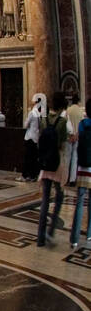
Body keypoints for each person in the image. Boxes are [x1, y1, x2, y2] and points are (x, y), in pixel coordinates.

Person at [35, 93, 68, 247]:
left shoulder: (43, 120)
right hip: (56, 162)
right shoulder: (62, 122)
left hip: (45, 163)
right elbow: (61, 144)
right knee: (60, 196)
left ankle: (40, 238)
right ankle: (50, 231)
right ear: (62, 107)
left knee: (45, 200)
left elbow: (40, 139)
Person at [69, 105, 91, 251]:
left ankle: (74, 238)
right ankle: (89, 233)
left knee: (79, 202)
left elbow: (75, 140)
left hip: (82, 167)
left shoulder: (82, 124)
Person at [21, 94, 44, 181]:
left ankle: (25, 175)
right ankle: (33, 175)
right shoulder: (40, 113)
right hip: (36, 137)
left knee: (28, 157)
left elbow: (25, 125)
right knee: (34, 157)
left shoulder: (32, 112)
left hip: (30, 137)